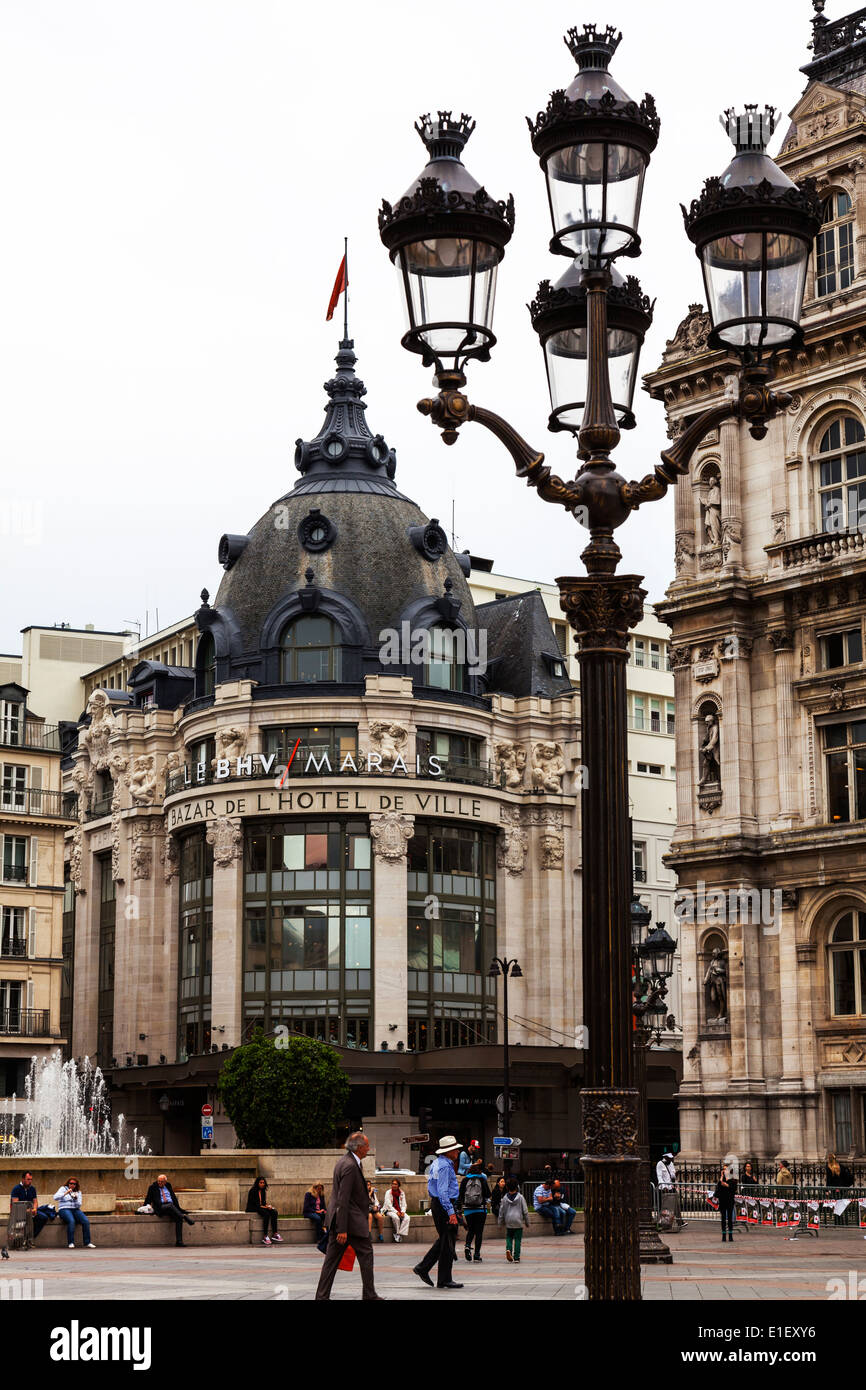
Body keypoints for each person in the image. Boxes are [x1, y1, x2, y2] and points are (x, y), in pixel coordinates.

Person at [315, 1132, 384, 1301]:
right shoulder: (350, 1166)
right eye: (367, 1146)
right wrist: (342, 1229)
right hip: (350, 1222)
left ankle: (322, 1296)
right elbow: (343, 1199)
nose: (368, 1148)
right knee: (366, 1254)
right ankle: (369, 1295)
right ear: (359, 1147)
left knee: (331, 1261)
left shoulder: (344, 1161)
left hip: (342, 1220)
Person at [413, 1135, 463, 1291]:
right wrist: (451, 1212)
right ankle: (442, 1278)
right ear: (449, 1151)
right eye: (455, 1149)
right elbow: (442, 1192)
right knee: (447, 1242)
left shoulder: (437, 1163)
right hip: (443, 1205)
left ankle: (425, 1269)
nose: (458, 1151)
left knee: (445, 1240)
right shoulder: (445, 1166)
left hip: (439, 1205)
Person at [144, 1173, 196, 1248]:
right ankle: (184, 1217)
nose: (159, 1183)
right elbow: (148, 1199)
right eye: (158, 1181)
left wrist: (178, 1208)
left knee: (178, 1219)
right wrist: (144, 1208)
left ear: (165, 1182)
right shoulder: (153, 1187)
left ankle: (179, 1241)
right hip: (161, 1207)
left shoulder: (168, 1185)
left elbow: (173, 1197)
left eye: (161, 1182)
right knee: (170, 1206)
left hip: (171, 1207)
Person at [459, 1159, 491, 1262]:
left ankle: (467, 1246)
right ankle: (477, 1255)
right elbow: (488, 1194)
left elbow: (460, 1195)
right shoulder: (482, 1179)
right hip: (480, 1210)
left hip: (468, 1210)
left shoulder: (465, 1180)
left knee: (471, 1230)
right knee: (479, 1232)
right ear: (479, 1171)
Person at [53, 1177, 96, 1249]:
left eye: (74, 1184)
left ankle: (87, 1242)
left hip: (75, 1209)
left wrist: (76, 1199)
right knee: (71, 1221)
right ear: (68, 1183)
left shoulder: (78, 1192)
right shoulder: (63, 1188)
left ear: (76, 1185)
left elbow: (79, 1205)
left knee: (85, 1221)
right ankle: (71, 1242)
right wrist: (65, 1193)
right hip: (64, 1209)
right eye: (71, 1183)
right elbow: (55, 1197)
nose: (72, 1185)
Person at [10, 1172, 51, 1241]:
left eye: (31, 1179)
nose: (30, 1181)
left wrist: (35, 1209)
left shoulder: (32, 1189)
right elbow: (15, 1204)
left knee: (43, 1217)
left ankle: (30, 1238)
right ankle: (22, 1238)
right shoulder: (16, 1189)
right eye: (28, 1179)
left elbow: (35, 1201)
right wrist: (27, 1211)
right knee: (27, 1220)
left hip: (30, 1211)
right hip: (19, 1212)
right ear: (23, 1179)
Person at [498, 1177, 530, 1262]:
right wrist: (527, 1222)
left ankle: (508, 1249)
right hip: (518, 1220)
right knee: (517, 1239)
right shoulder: (520, 1197)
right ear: (517, 1187)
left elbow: (501, 1211)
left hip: (508, 1220)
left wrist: (500, 1223)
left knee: (509, 1237)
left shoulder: (505, 1198)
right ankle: (516, 1257)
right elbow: (525, 1211)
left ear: (507, 1187)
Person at [245, 1177, 283, 1245]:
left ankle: (275, 1233)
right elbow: (257, 1204)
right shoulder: (253, 1190)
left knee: (274, 1212)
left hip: (260, 1207)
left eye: (263, 1183)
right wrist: (266, 1207)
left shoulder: (263, 1191)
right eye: (261, 1183)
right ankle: (265, 1236)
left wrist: (269, 1206)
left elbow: (263, 1203)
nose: (262, 1184)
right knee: (266, 1214)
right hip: (252, 1207)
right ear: (257, 1183)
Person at [656, 1151, 686, 1230]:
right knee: (664, 1207)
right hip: (664, 1189)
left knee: (676, 1205)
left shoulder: (671, 1164)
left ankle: (680, 1221)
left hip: (671, 1187)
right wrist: (663, 1186)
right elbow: (659, 1177)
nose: (671, 1160)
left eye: (671, 1158)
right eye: (669, 1158)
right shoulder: (660, 1164)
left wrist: (676, 1174)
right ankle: (662, 1223)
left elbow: (672, 1176)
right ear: (665, 1157)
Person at [713, 1165, 737, 1242]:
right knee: (723, 1218)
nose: (725, 1170)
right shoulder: (721, 1179)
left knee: (730, 1218)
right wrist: (721, 1178)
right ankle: (723, 1235)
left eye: (726, 1169)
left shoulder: (733, 1180)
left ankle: (730, 1235)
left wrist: (727, 1185)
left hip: (730, 1200)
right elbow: (717, 1190)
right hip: (722, 1201)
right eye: (723, 1169)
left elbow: (734, 1189)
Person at [303, 1182, 329, 1250]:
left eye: (321, 1189)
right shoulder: (308, 1194)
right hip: (309, 1212)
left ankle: (327, 1236)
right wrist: (316, 1211)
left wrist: (325, 1211)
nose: (319, 1190)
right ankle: (319, 1238)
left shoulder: (321, 1195)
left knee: (328, 1217)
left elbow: (323, 1206)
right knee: (318, 1218)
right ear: (314, 1188)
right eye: (318, 1188)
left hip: (319, 1212)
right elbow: (306, 1207)